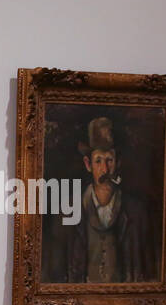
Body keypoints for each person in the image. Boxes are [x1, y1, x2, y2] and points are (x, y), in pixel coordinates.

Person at [62, 116, 153, 284]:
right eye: (98, 161)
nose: (105, 169)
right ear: (88, 164)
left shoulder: (136, 212)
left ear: (117, 163)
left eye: (109, 160)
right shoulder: (69, 209)